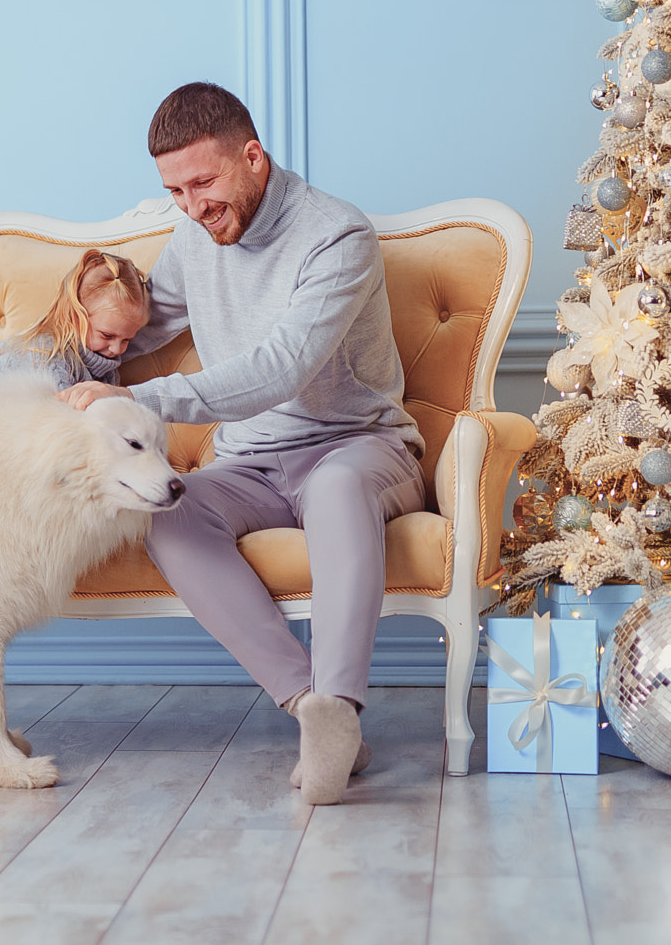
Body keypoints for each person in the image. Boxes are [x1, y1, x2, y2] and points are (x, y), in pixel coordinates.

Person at [63, 82, 423, 804]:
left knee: (334, 485)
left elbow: (281, 370)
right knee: (168, 507)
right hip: (252, 462)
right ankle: (313, 710)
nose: (193, 206)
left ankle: (342, 700)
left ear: (253, 157)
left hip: (359, 446)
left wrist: (139, 397)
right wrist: (36, 368)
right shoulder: (195, 237)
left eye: (203, 181)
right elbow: (141, 326)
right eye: (175, 191)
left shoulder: (336, 235)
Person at [0, 249, 151, 387]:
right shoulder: (49, 359)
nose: (117, 348)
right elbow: (61, 424)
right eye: (107, 336)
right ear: (75, 315)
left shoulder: (105, 368)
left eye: (127, 339)